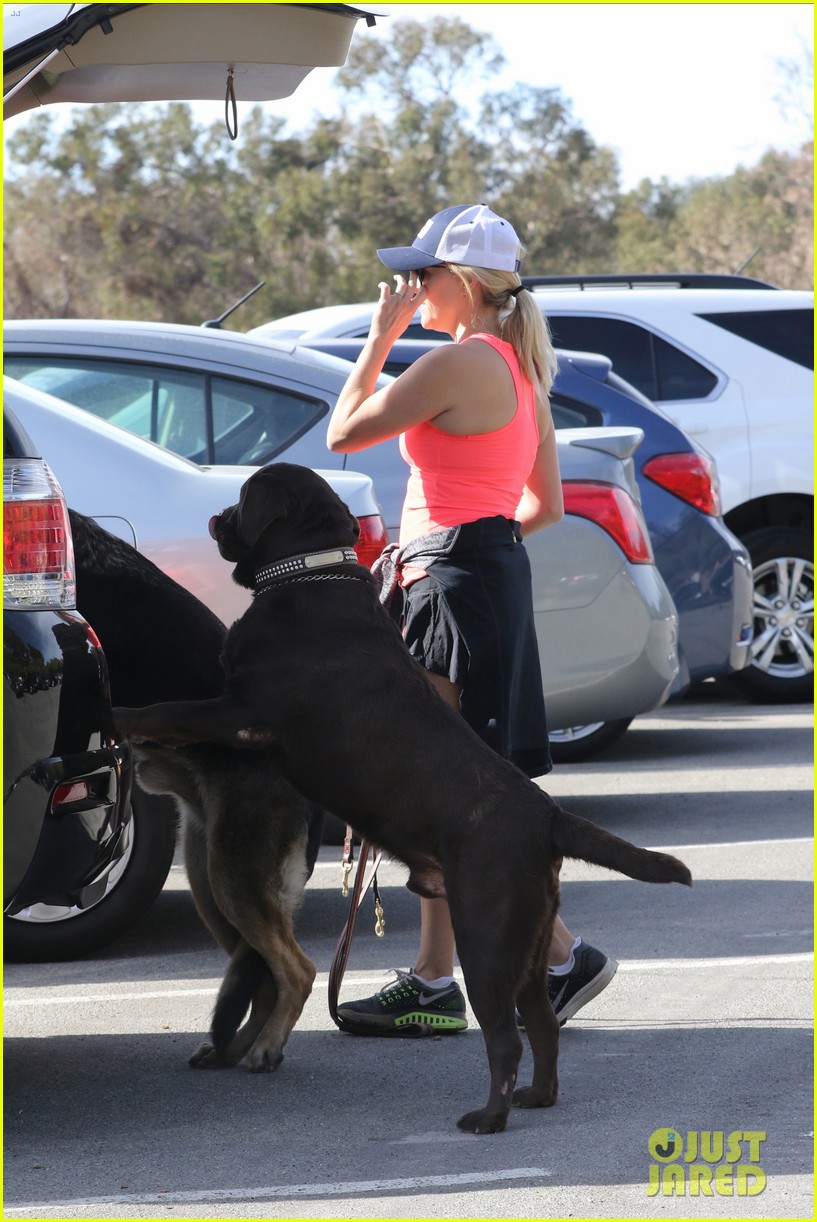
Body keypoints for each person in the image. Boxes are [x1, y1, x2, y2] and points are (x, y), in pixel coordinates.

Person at [326, 203, 617, 1035]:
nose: (411, 288)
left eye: (422, 276)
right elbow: (544, 506)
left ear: (464, 283)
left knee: (437, 792)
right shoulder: (524, 372)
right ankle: (434, 978)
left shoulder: (460, 364)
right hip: (480, 579)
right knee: (455, 790)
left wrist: (379, 338)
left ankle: (558, 955)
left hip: (453, 588)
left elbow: (344, 432)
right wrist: (462, 545)